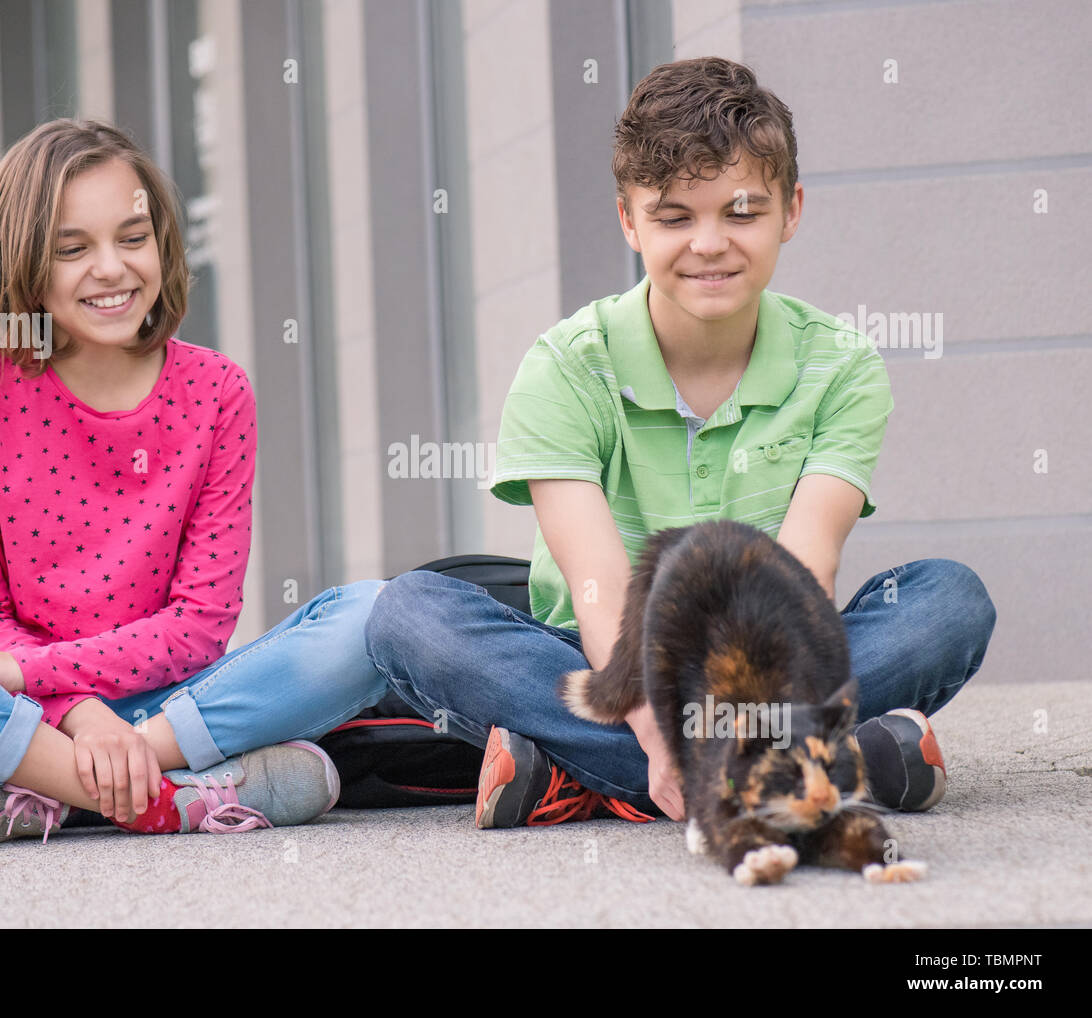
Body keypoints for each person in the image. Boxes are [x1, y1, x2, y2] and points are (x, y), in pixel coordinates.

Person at [364, 56, 996, 828]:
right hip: (597, 656)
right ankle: (816, 763)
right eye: (673, 217)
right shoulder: (566, 364)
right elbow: (597, 587)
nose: (709, 244)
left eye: (740, 212)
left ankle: (585, 774)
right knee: (409, 614)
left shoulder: (842, 364)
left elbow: (805, 570)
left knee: (946, 601)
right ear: (630, 220)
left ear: (790, 211)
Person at [0, 119, 387, 846]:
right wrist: (78, 712)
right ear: (23, 263)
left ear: (163, 246)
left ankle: (40, 797)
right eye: (73, 249)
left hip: (174, 703)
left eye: (132, 239)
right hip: (20, 717)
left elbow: (199, 624)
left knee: (376, 616)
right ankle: (175, 796)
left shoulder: (218, 392)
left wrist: (41, 680)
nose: (111, 268)